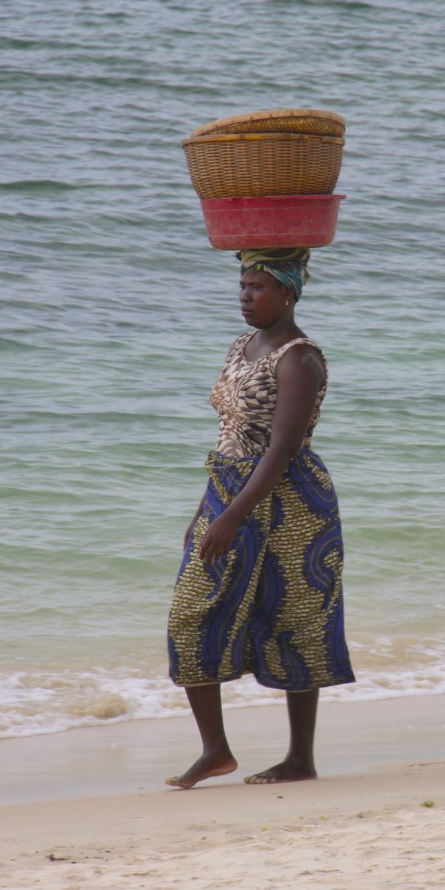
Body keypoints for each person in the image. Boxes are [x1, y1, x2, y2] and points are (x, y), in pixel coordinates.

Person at [165, 247, 354, 789]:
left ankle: (300, 758)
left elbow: (282, 450)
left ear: (289, 292)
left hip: (291, 503)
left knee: (296, 620)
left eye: (259, 288)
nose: (246, 296)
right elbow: (227, 438)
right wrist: (208, 512)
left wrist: (230, 520)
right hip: (229, 492)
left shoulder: (300, 359)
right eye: (243, 286)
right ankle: (216, 752)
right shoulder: (242, 345)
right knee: (190, 614)